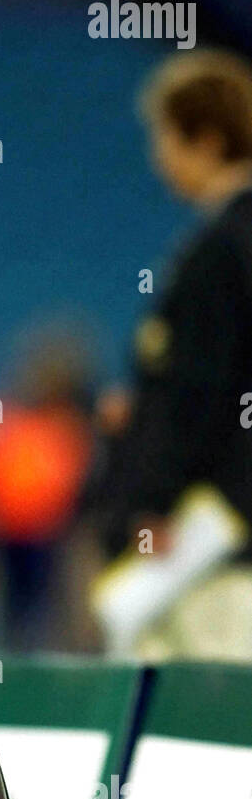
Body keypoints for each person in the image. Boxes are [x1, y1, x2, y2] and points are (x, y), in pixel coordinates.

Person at [88, 49, 252, 660]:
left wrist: (153, 497)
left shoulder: (220, 249)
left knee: (195, 696)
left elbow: (197, 389)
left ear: (206, 140)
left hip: (211, 526)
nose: (159, 156)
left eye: (166, 136)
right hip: (230, 523)